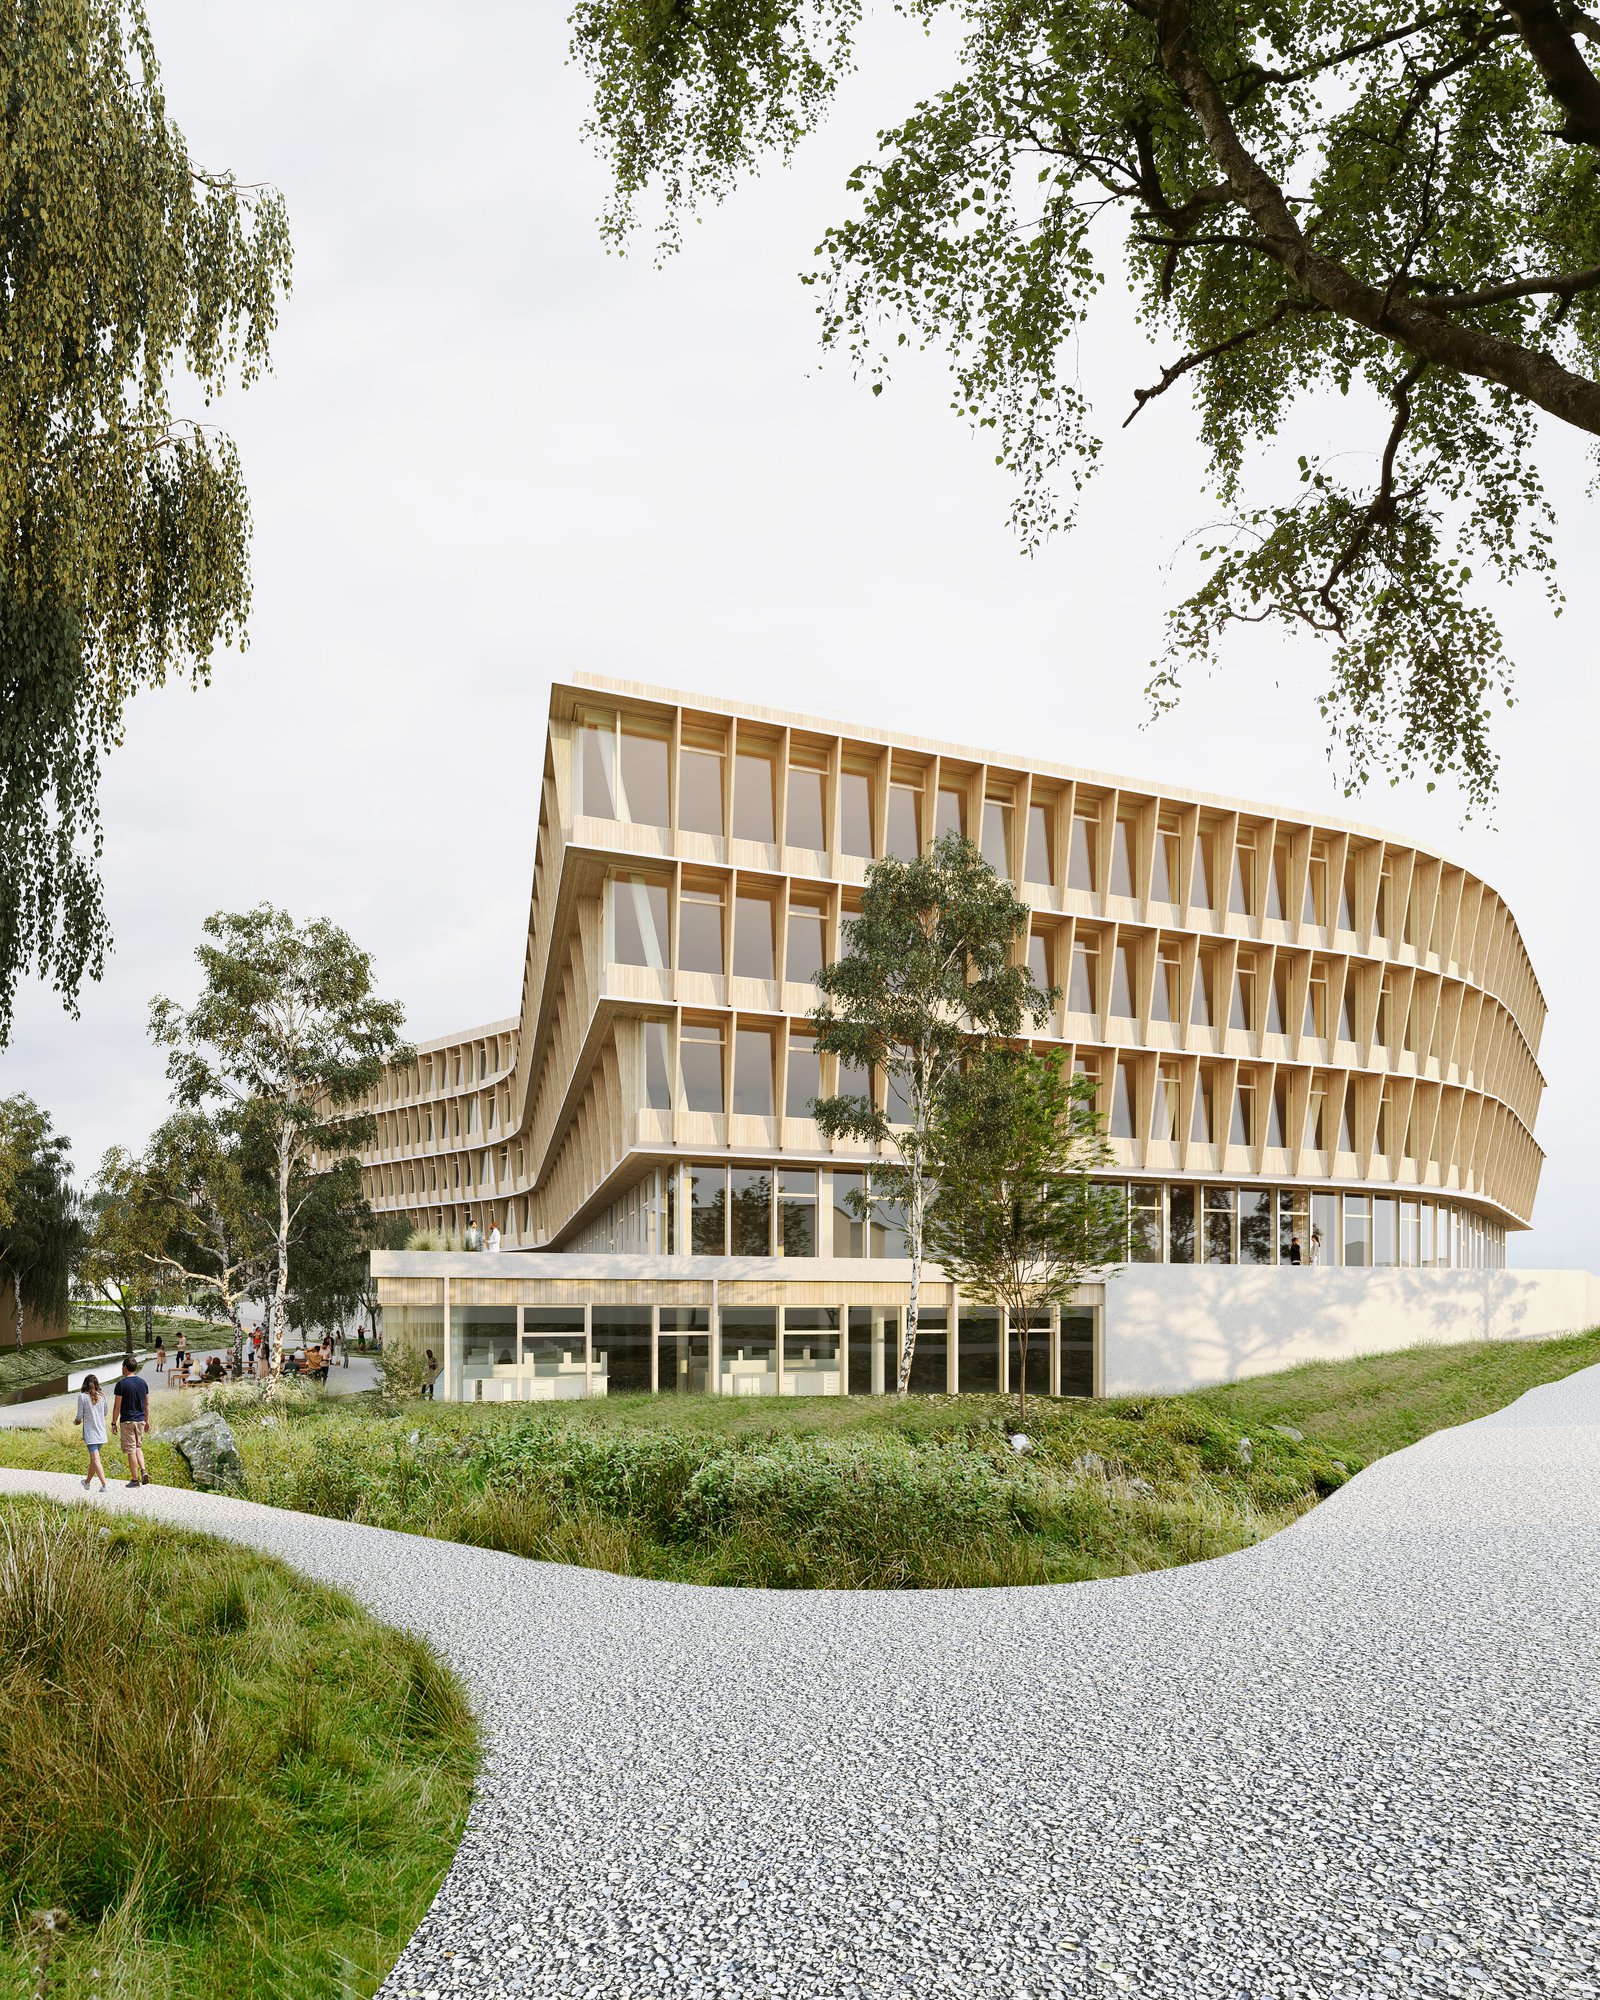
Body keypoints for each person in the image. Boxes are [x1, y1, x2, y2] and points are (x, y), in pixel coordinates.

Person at [109, 1358, 151, 1489]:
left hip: (127, 1421)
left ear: (125, 1367)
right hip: (140, 1420)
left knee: (130, 1450)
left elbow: (117, 1406)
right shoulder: (143, 1383)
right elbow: (147, 1404)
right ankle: (143, 1469)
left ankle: (135, 1479)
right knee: (138, 1447)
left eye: (122, 1367)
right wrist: (147, 1420)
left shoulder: (121, 1384)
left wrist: (113, 1422)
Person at [75, 1374, 110, 1491]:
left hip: (91, 1433)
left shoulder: (82, 1397)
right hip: (101, 1432)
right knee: (94, 1460)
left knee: (95, 1459)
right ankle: (87, 1482)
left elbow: (79, 1416)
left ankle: (104, 1485)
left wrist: (76, 1422)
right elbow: (105, 1413)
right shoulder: (102, 1396)